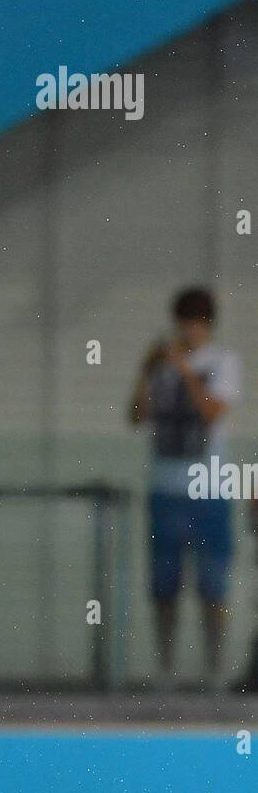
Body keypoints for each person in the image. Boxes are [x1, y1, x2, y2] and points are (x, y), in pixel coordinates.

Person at [128, 287, 242, 688]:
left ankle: (214, 670)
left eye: (195, 323)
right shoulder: (160, 364)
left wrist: (187, 372)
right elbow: (136, 416)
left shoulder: (223, 361)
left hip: (208, 490)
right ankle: (167, 671)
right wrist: (147, 372)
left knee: (213, 584)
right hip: (166, 490)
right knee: (164, 586)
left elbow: (212, 412)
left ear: (207, 325)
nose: (188, 330)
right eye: (183, 323)